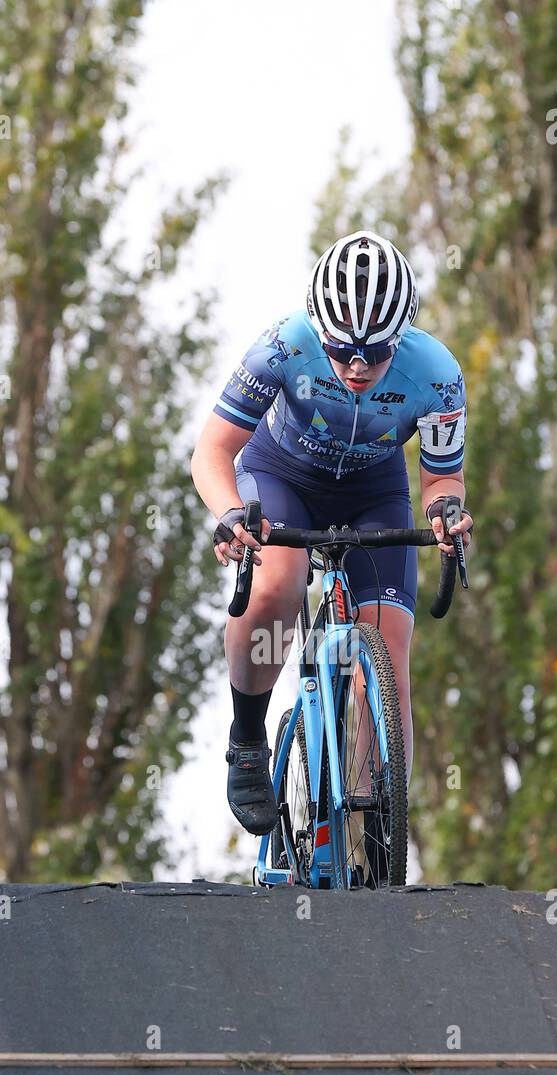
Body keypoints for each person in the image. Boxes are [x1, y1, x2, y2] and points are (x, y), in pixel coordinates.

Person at [190, 230, 473, 836]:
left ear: (402, 339)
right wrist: (231, 514)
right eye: (343, 352)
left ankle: (375, 813)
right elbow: (212, 451)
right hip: (280, 473)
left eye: (375, 355)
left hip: (375, 492)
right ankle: (246, 739)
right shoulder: (283, 346)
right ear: (320, 331)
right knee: (279, 584)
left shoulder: (439, 375)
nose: (357, 368)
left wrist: (448, 515)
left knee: (389, 639)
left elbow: (441, 480)